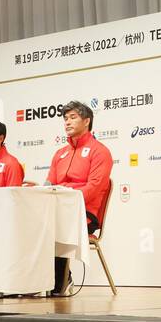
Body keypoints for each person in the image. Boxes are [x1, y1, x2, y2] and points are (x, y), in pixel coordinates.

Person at [34, 101, 112, 294]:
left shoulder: (100, 151)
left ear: (87, 121)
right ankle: (31, 282)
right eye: (65, 118)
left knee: (51, 226)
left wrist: (67, 204)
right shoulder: (60, 153)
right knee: (29, 223)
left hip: (84, 213)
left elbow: (94, 187)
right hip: (57, 210)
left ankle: (59, 281)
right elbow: (49, 185)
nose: (67, 122)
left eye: (73, 117)